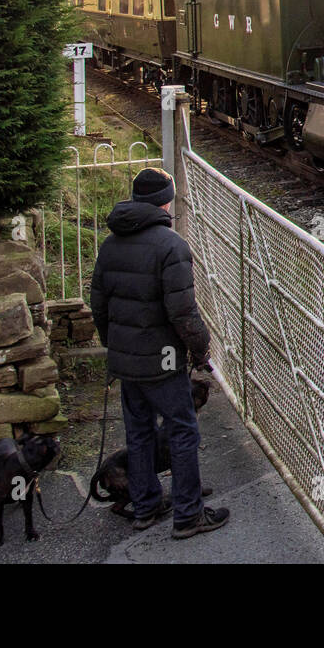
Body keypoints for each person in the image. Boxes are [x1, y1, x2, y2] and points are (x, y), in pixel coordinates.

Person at [90, 167, 229, 540]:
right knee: (182, 432)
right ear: (166, 201)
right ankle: (188, 514)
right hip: (163, 361)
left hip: (126, 361)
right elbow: (184, 313)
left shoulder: (110, 244)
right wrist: (200, 350)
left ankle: (147, 505)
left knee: (138, 433)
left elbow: (98, 306)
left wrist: (114, 345)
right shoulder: (172, 246)